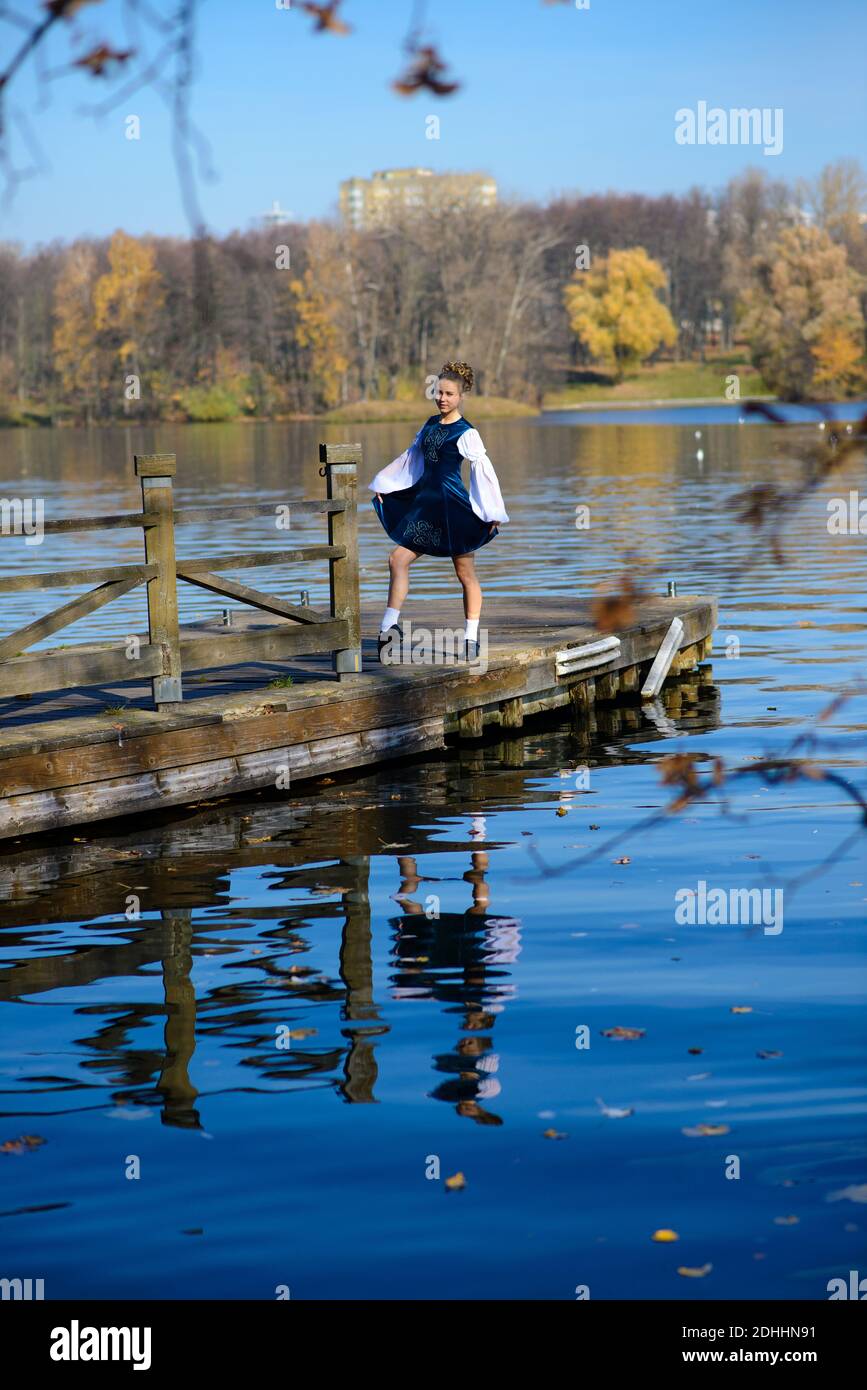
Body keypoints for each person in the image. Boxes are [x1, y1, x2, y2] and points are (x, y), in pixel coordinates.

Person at [368, 360, 509, 662]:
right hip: (424, 506)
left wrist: (492, 510)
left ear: (460, 397)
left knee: (464, 573)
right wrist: (387, 485)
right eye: (439, 392)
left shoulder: (466, 432)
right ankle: (389, 626)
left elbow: (483, 471)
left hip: (452, 508)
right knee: (397, 559)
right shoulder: (430, 424)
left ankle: (471, 638)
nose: (442, 398)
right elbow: (412, 459)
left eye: (449, 394)